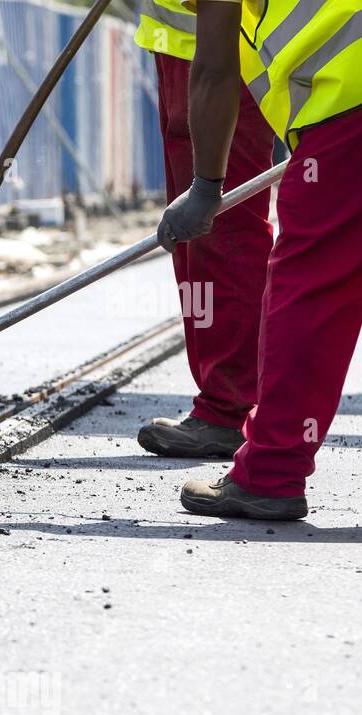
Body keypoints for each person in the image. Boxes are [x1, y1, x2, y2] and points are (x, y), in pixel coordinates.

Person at [161, 0, 362, 520]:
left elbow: (214, 69)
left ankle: (270, 472)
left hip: (348, 111)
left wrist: (206, 187)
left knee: (309, 291)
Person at [133, 0, 274, 459]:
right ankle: (221, 401)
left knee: (223, 229)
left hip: (227, 50)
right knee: (192, 239)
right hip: (187, 48)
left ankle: (230, 409)